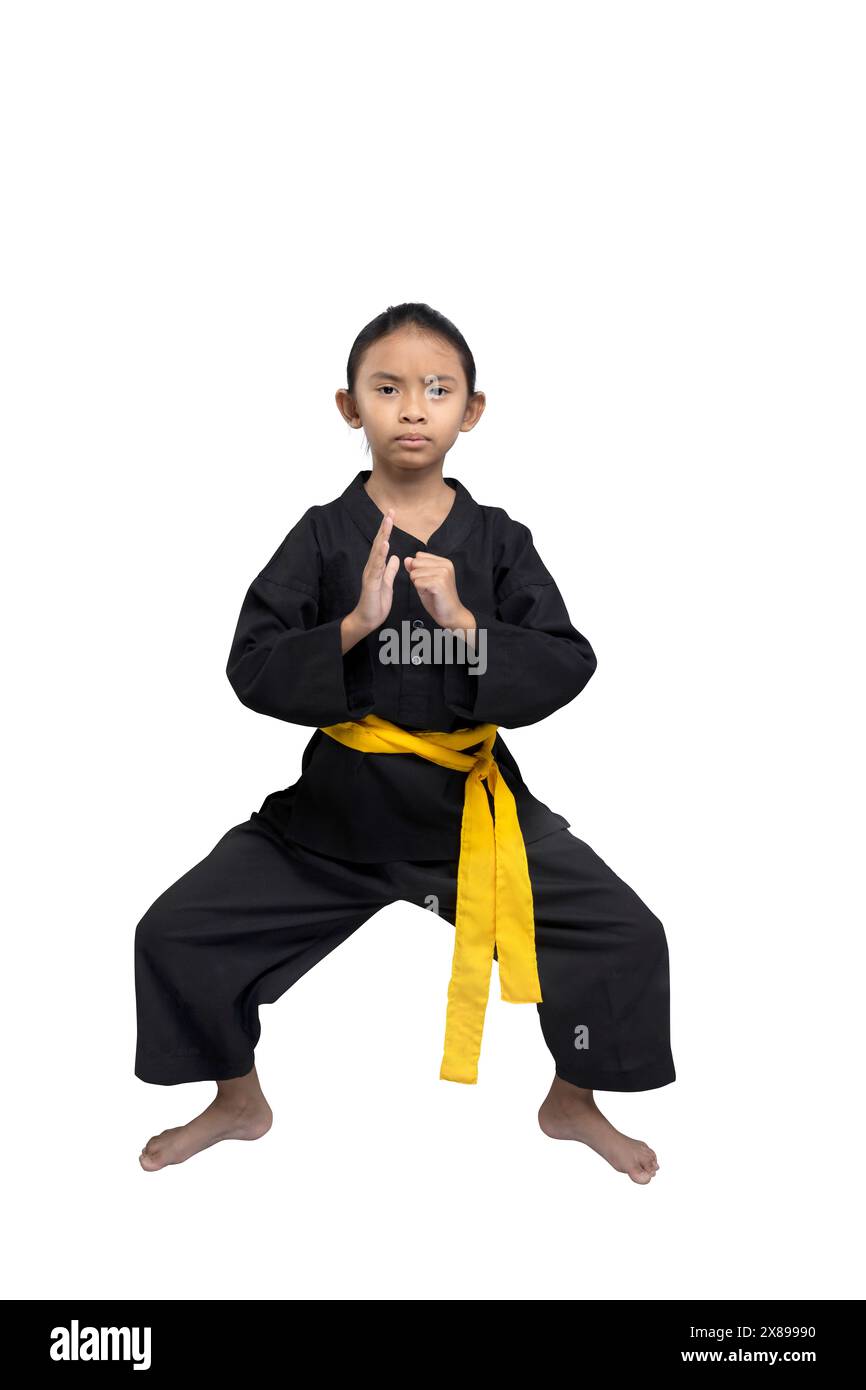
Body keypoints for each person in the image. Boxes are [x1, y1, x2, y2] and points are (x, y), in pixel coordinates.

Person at [135, 302, 675, 1181]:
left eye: (437, 389)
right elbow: (251, 666)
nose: (413, 408)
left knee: (625, 935)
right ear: (351, 407)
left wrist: (467, 622)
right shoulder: (320, 535)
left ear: (473, 409)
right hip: (331, 822)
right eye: (388, 389)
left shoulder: (498, 541)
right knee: (172, 933)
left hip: (473, 818)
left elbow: (568, 663)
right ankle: (237, 1097)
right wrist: (352, 625)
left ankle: (573, 1098)